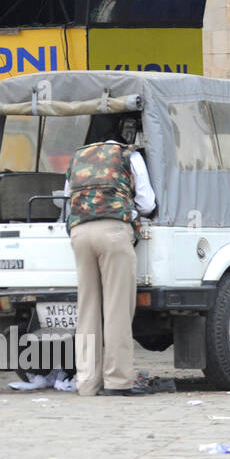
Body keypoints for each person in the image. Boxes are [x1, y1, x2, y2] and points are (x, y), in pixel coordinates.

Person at [64, 115, 156, 397]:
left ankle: (87, 383)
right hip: (114, 232)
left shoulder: (78, 157)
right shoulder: (128, 155)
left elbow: (66, 197)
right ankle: (117, 381)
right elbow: (147, 202)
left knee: (88, 310)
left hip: (79, 233)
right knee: (116, 309)